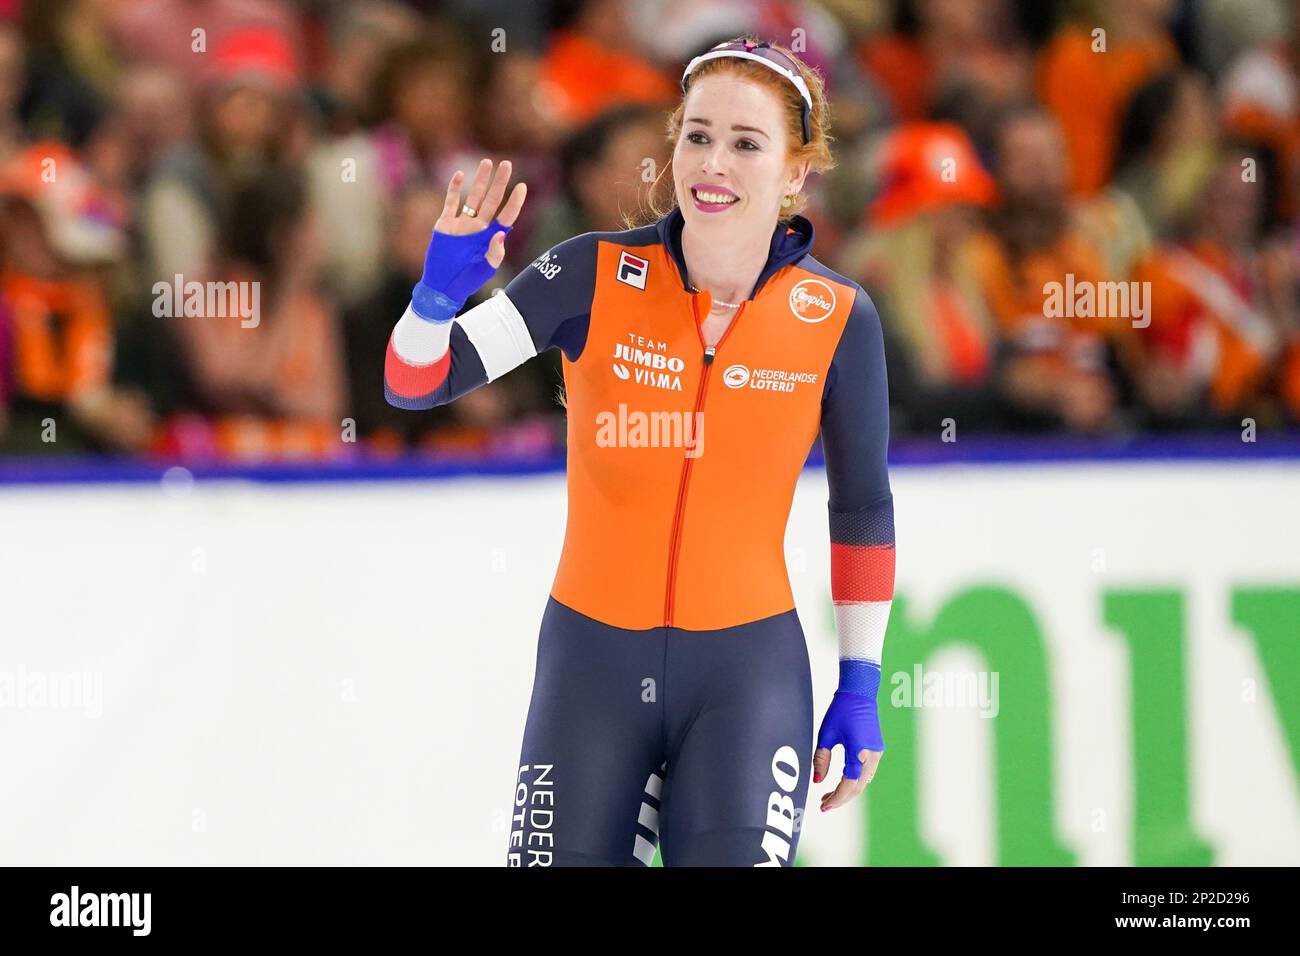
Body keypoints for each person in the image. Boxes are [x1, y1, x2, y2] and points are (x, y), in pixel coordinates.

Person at [383, 37, 896, 867]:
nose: (713, 164)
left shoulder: (838, 316)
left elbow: (863, 508)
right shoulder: (588, 274)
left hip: (744, 676)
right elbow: (417, 380)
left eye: (745, 142)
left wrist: (862, 682)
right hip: (591, 669)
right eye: (696, 136)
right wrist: (436, 295)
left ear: (797, 172)